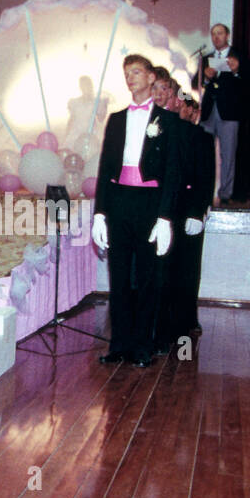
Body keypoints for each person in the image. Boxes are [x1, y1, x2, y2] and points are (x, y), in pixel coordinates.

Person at [92, 55, 181, 368]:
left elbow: (172, 173)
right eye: (126, 73)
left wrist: (165, 217)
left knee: (146, 278)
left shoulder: (167, 121)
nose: (130, 78)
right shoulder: (117, 119)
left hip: (148, 203)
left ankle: (142, 346)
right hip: (118, 201)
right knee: (118, 278)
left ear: (152, 77)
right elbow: (105, 168)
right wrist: (100, 213)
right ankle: (119, 345)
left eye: (136, 72)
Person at [155, 76, 214, 348]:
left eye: (191, 108)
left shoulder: (202, 137)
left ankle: (188, 319)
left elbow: (205, 177)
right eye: (183, 105)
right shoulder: (165, 130)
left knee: (189, 267)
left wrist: (198, 211)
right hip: (165, 207)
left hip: (189, 210)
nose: (185, 110)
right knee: (165, 267)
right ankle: (164, 321)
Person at [196, 24, 244, 204]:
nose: (216, 38)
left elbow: (249, 81)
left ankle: (225, 194)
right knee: (204, 154)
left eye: (220, 34)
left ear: (227, 35)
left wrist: (237, 70)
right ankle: (204, 191)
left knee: (228, 155)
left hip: (229, 113)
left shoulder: (238, 55)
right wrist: (206, 78)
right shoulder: (207, 57)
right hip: (209, 112)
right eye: (213, 34)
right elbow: (196, 82)